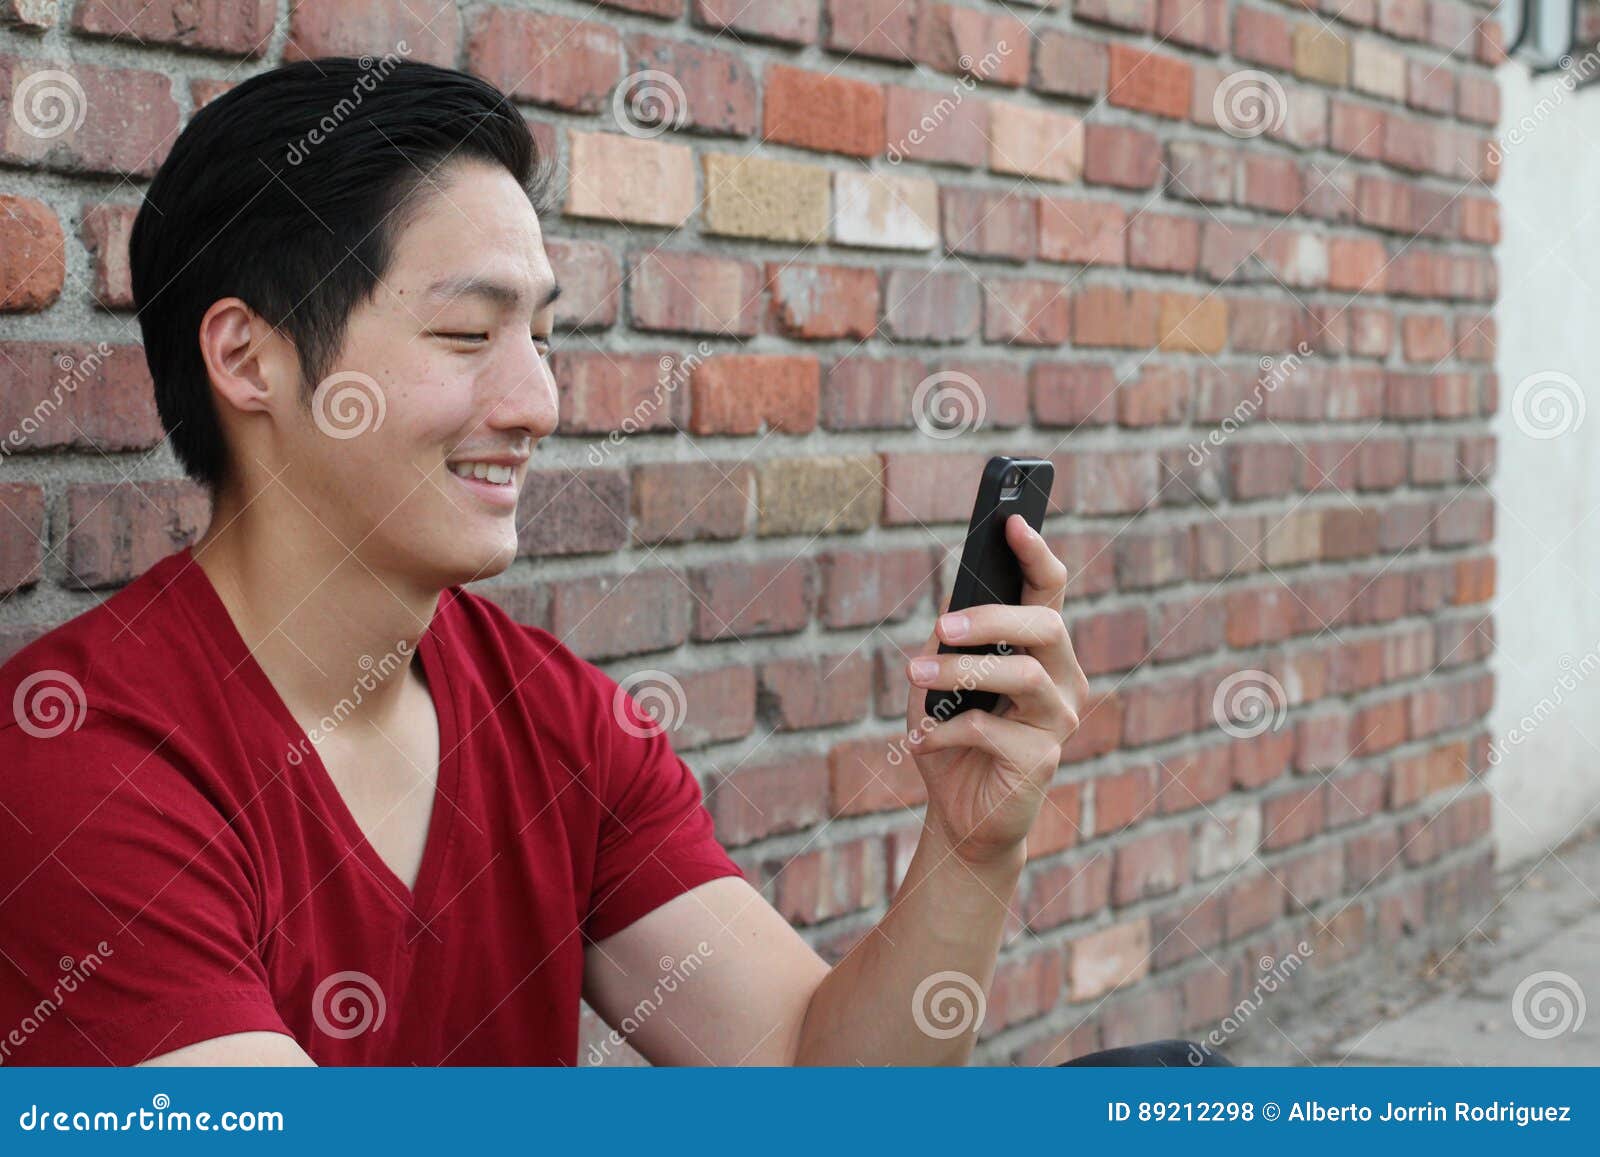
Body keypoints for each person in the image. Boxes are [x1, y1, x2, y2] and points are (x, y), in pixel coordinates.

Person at [0, 57, 1192, 1067]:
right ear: (247, 359)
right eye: (467, 335)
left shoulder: (557, 720)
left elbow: (806, 1081)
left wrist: (973, 846)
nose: (537, 400)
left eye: (544, 336)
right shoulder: (77, 767)